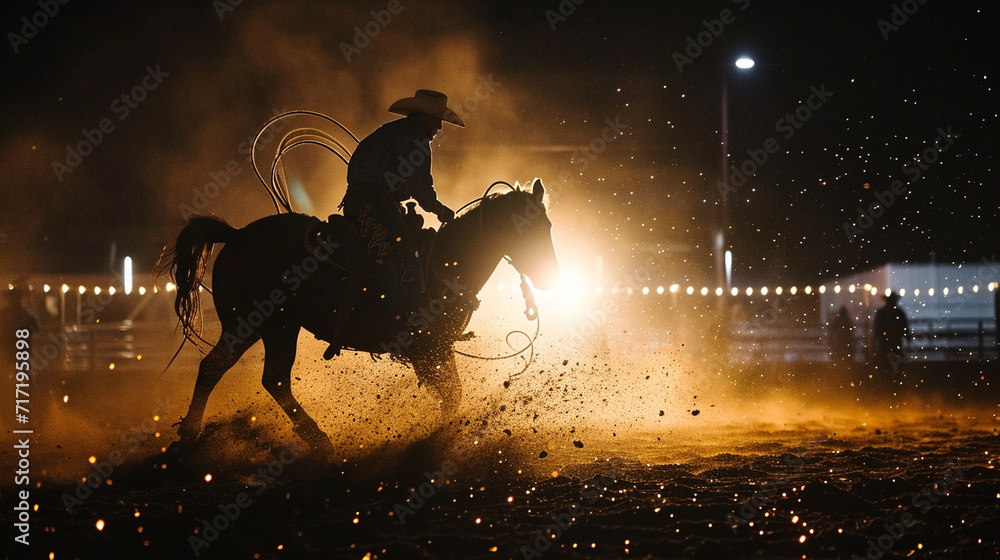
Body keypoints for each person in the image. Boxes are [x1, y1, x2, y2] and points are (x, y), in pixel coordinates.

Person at [332, 90, 464, 352]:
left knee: (384, 252)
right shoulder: (415, 138)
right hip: (377, 204)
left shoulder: (388, 131)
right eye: (437, 119)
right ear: (426, 116)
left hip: (356, 203)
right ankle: (401, 324)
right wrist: (440, 210)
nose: (438, 127)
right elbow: (421, 187)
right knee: (408, 255)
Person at [871, 291, 909, 376]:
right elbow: (905, 327)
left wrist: (873, 343)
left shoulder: (881, 312)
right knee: (897, 367)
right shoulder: (899, 312)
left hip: (884, 344)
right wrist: (907, 338)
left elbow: (876, 329)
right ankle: (896, 383)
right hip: (896, 343)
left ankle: (886, 384)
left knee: (885, 367)